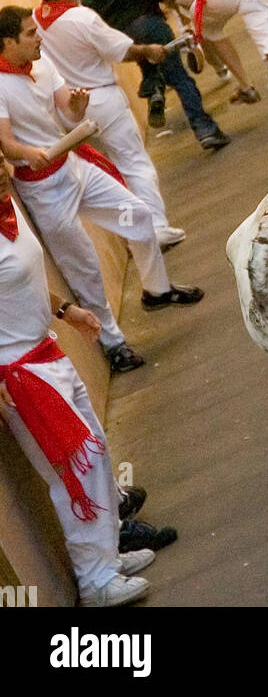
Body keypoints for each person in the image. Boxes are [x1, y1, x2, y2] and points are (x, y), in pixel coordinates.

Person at [0, 7, 203, 370]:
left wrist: (77, 107)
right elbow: (8, 144)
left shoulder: (43, 64)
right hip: (44, 191)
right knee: (85, 268)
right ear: (7, 43)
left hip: (75, 168)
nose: (39, 38)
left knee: (138, 215)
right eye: (30, 34)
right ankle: (112, 342)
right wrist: (32, 154)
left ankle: (157, 290)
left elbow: (69, 112)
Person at [0, 161, 156, 606]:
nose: (0, 172)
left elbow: (24, 280)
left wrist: (66, 309)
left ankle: (108, 554)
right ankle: (95, 581)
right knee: (75, 475)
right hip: (21, 376)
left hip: (48, 353)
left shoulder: (10, 208)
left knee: (97, 453)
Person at [33, 0, 187, 250]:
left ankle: (132, 234)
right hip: (102, 100)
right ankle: (156, 227)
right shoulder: (82, 17)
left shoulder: (34, 21)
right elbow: (120, 49)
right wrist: (149, 51)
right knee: (134, 164)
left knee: (109, 175)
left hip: (69, 110)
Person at [77, 0, 229, 152]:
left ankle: (153, 87)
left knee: (147, 58)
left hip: (120, 33)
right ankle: (205, 129)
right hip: (147, 20)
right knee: (179, 77)